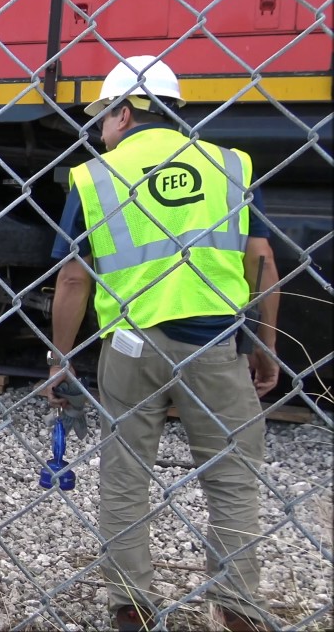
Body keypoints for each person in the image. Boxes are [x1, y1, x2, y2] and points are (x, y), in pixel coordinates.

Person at [46, 56, 280, 631]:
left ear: (126, 113)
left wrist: (60, 358)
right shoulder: (229, 166)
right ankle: (237, 607)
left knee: (125, 472)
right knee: (230, 477)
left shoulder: (94, 175)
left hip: (131, 344)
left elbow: (74, 277)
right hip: (216, 343)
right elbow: (262, 260)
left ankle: (131, 605)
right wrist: (264, 345)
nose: (98, 129)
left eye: (102, 116)